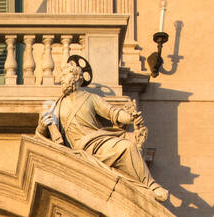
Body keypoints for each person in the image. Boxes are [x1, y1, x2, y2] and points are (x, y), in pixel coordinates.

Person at [35, 55, 169, 202]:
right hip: (75, 149)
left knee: (128, 146)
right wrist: (42, 127)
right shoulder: (55, 106)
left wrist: (131, 118)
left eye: (65, 75)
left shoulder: (91, 98)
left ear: (76, 78)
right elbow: (42, 140)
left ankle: (151, 185)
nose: (61, 79)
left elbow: (113, 113)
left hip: (96, 143)